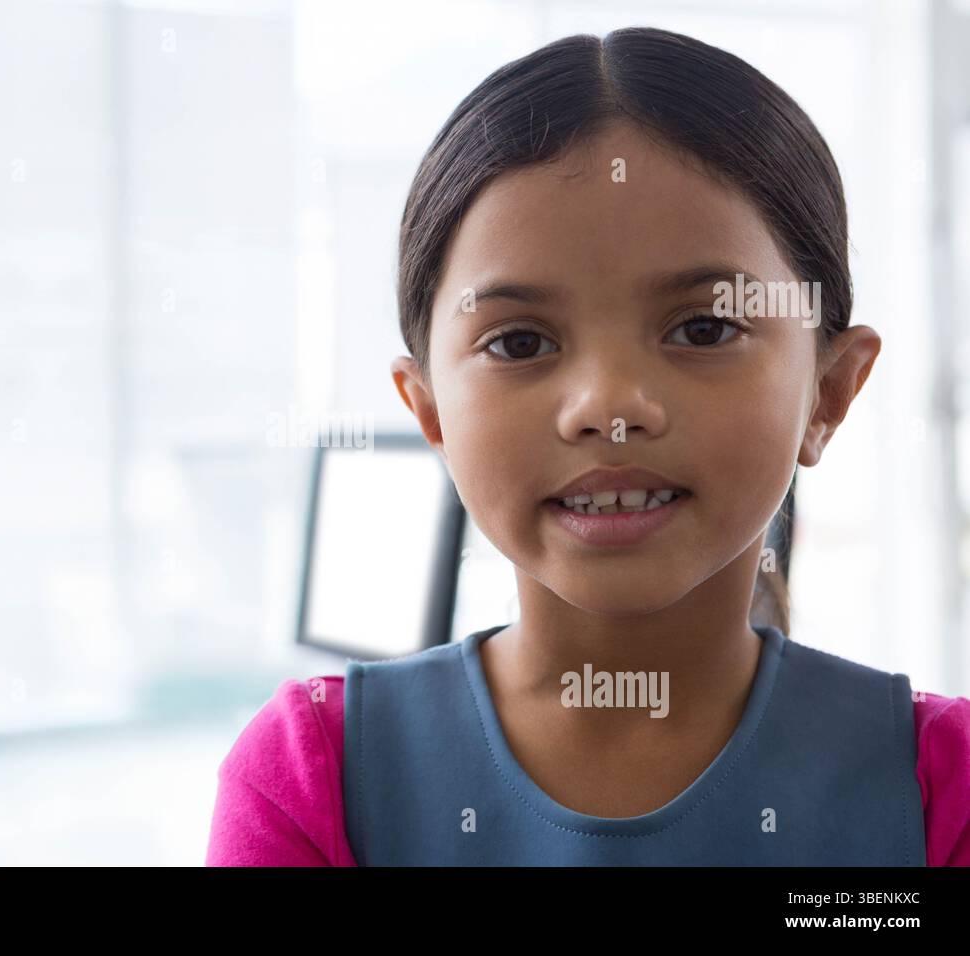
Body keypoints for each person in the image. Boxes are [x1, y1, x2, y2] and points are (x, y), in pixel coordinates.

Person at [206, 26, 970, 865]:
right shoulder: (311, 777)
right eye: (520, 343)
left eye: (704, 327)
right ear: (429, 412)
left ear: (829, 391)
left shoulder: (938, 787)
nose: (607, 407)